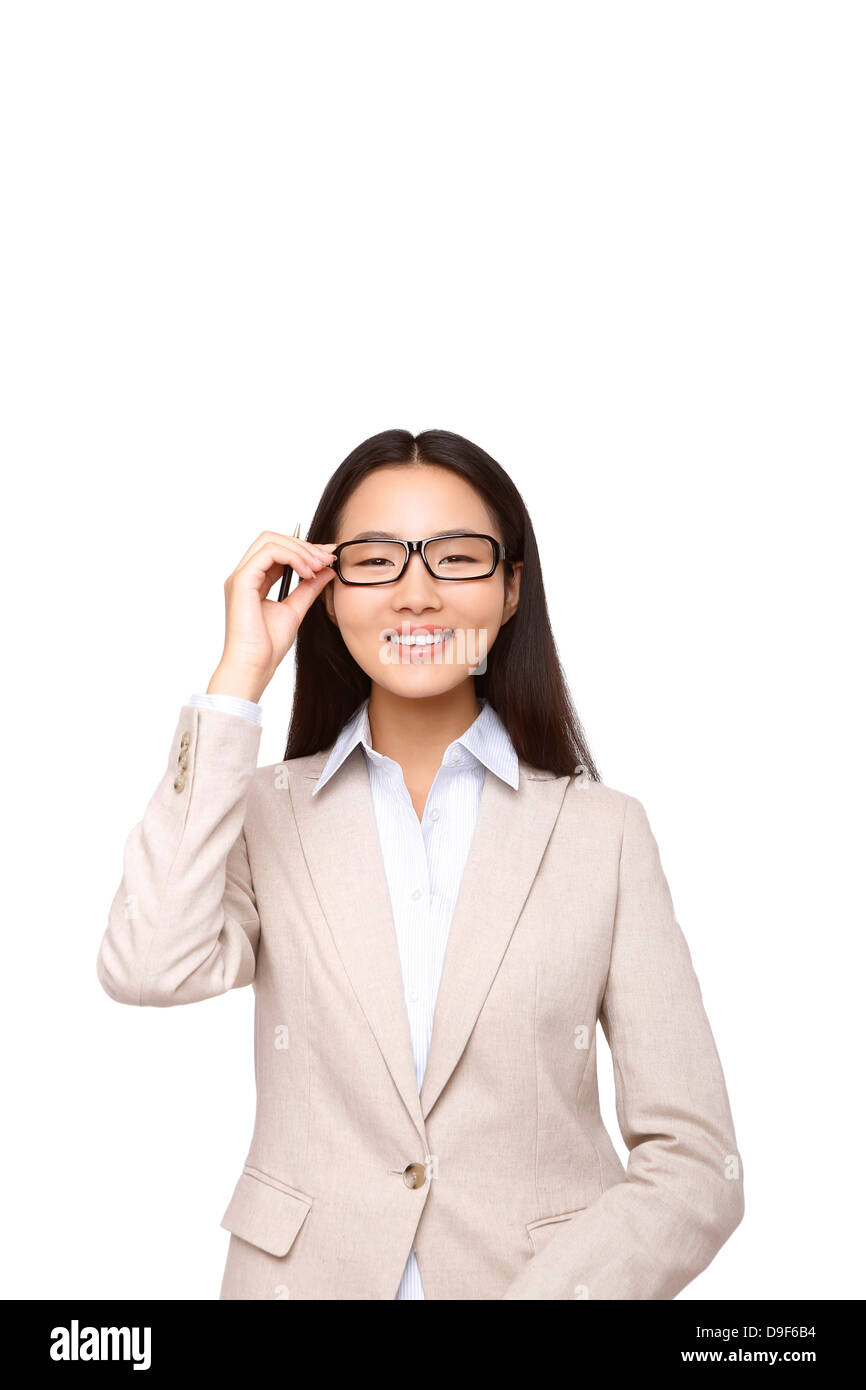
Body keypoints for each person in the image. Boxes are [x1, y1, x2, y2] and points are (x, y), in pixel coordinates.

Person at [96, 427, 745, 1300]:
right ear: (326, 592)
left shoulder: (604, 835)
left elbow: (698, 1163)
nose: (416, 594)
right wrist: (239, 675)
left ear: (512, 587)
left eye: (457, 558)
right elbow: (148, 965)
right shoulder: (258, 812)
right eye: (374, 560)